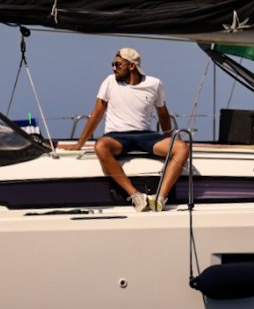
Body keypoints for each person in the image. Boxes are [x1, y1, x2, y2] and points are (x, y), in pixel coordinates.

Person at [59, 48, 188, 212]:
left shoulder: (154, 84)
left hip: (145, 136)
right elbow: (97, 114)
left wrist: (169, 137)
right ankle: (135, 195)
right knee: (100, 146)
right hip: (117, 137)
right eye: (113, 64)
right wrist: (79, 144)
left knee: (182, 148)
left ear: (132, 66)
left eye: (117, 64)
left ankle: (160, 198)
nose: (113, 68)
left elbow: (163, 113)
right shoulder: (109, 82)